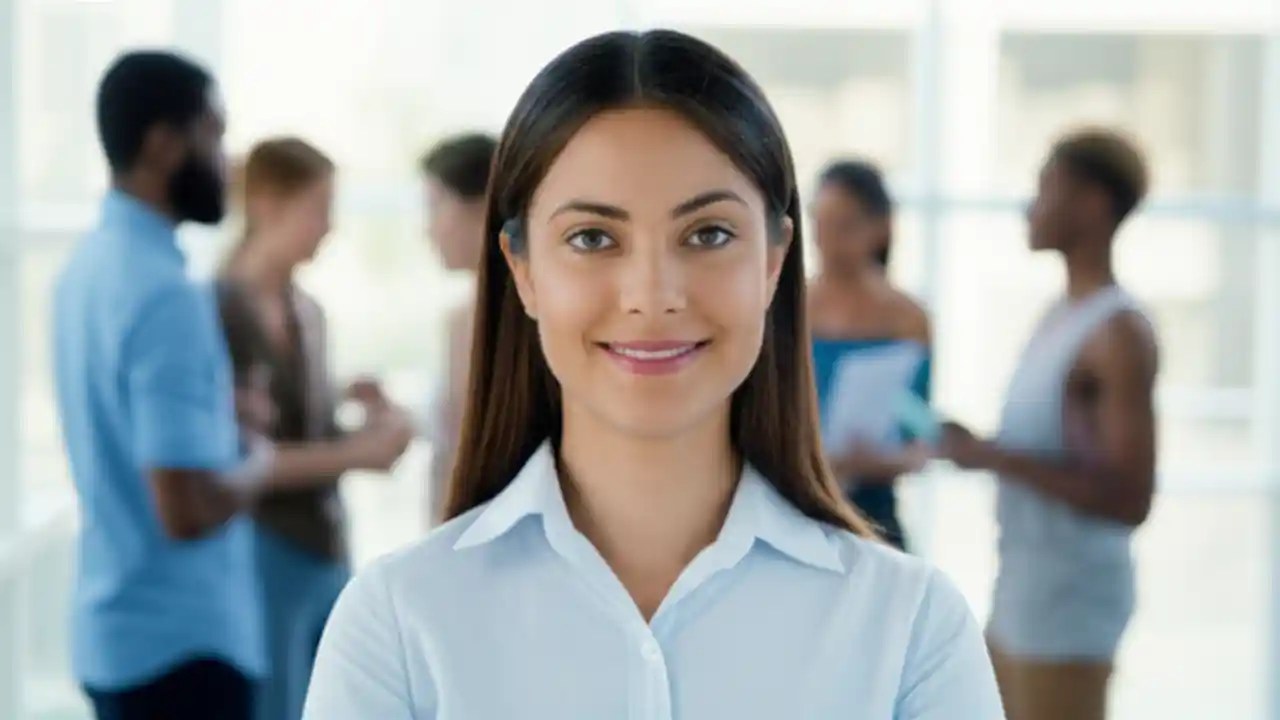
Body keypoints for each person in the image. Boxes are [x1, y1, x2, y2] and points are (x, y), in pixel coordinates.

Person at [303, 30, 1003, 719]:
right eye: (592, 238)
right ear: (522, 271)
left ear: (773, 261)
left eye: (708, 235)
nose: (652, 293)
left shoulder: (911, 630)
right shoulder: (397, 623)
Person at [53, 51, 267, 719]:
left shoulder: (86, 269)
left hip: (116, 637)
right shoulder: (164, 293)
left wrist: (215, 421)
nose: (226, 162)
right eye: (215, 134)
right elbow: (185, 508)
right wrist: (259, 461)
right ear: (162, 143)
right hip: (182, 652)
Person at [940, 128, 1158, 720]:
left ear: (1091, 203)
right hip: (1021, 591)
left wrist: (996, 458)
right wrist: (984, 449)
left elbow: (1128, 498)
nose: (1030, 206)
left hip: (1070, 606)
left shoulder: (1118, 334)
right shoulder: (1060, 316)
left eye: (1046, 188)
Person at [218, 137, 414, 720]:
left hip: (324, 549)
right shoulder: (216, 310)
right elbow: (235, 459)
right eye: (318, 208)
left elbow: (308, 433)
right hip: (258, 551)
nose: (329, 227)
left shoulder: (309, 311)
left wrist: (366, 416)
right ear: (267, 205)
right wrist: (360, 452)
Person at [808, 160, 932, 550]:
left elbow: (919, 435)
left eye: (844, 226)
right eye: (820, 224)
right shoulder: (786, 307)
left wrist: (875, 462)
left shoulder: (908, 319)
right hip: (796, 502)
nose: (828, 241)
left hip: (872, 510)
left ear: (880, 228)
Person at [417, 133, 497, 525]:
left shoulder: (485, 322)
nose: (428, 229)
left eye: (435, 207)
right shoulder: (462, 316)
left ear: (482, 208)